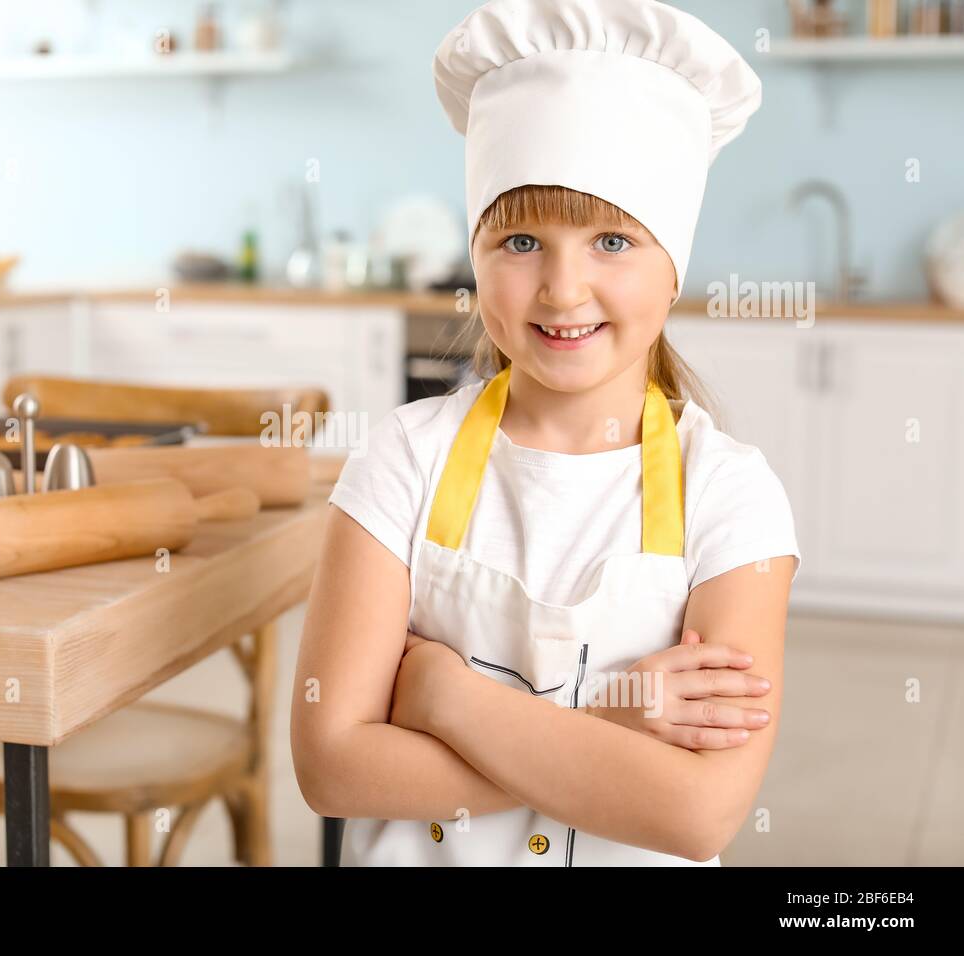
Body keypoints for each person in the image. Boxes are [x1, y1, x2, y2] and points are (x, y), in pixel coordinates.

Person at [291, 0, 801, 866]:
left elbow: (698, 813)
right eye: (521, 239)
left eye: (612, 240)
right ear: (476, 258)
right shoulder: (402, 461)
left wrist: (448, 700)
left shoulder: (732, 496)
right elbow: (333, 768)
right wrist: (609, 722)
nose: (564, 291)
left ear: (673, 267)